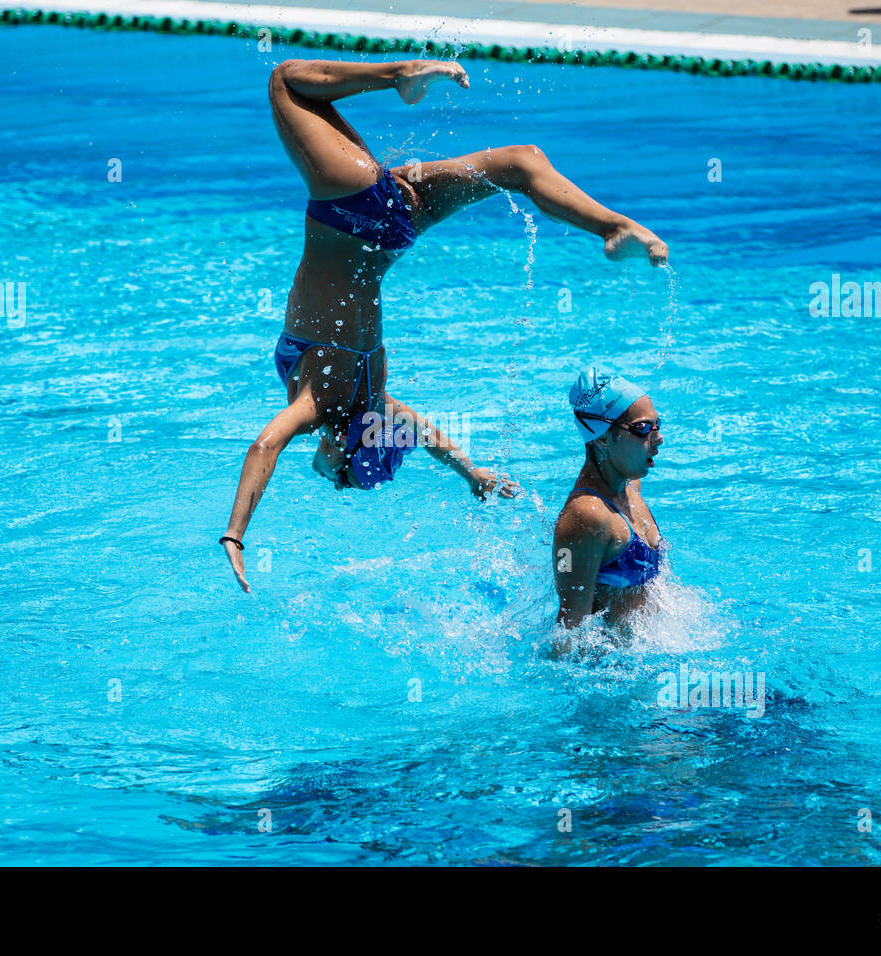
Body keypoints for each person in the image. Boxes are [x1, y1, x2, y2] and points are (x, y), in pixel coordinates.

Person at [221, 58, 670, 592]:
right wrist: (234, 534)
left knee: (520, 163)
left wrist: (471, 473)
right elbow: (265, 447)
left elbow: (421, 432)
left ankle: (613, 229)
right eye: (338, 471)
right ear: (349, 443)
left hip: (389, 222)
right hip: (353, 209)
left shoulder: (368, 402)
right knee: (285, 80)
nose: (328, 471)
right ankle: (399, 77)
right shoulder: (324, 403)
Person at [553, 367, 665, 629]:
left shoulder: (627, 486)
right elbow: (568, 629)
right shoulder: (587, 517)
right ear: (603, 438)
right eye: (643, 428)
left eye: (658, 425)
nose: (658, 438)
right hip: (611, 666)